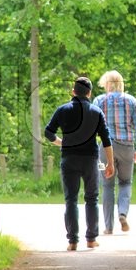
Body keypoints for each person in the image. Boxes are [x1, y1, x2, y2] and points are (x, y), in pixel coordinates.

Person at [45, 77, 115, 251]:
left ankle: (73, 241)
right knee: (92, 198)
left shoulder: (63, 110)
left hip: (69, 159)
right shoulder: (96, 112)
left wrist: (62, 142)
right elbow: (106, 139)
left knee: (71, 200)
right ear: (89, 93)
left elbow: (48, 132)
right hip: (90, 160)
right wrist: (110, 163)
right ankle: (91, 239)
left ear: (73, 91)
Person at [93, 70, 136, 235]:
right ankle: (122, 213)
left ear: (107, 84)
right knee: (126, 182)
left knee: (107, 186)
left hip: (106, 148)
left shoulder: (99, 101)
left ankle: (109, 227)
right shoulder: (130, 100)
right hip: (126, 147)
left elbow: (91, 124)